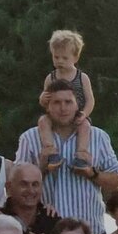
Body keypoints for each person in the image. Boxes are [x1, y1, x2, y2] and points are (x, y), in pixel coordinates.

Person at [17, 77, 118, 234]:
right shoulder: (29, 138)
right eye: (57, 102)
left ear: (77, 105)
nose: (63, 108)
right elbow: (16, 186)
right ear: (47, 106)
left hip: (89, 230)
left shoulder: (98, 137)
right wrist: (42, 168)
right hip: (45, 231)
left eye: (68, 102)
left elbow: (117, 179)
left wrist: (92, 174)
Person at [21, 29, 98, 178]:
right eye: (56, 57)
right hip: (55, 116)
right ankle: (51, 151)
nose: (60, 61)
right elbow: (46, 100)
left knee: (85, 126)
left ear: (75, 58)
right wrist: (43, 99)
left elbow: (90, 100)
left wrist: (84, 114)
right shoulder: (51, 78)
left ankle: (81, 155)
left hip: (78, 115)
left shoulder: (82, 78)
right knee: (43, 121)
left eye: (64, 58)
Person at [0, 161, 60, 234]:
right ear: (8, 187)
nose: (30, 190)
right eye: (24, 184)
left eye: (35, 185)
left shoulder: (53, 220)